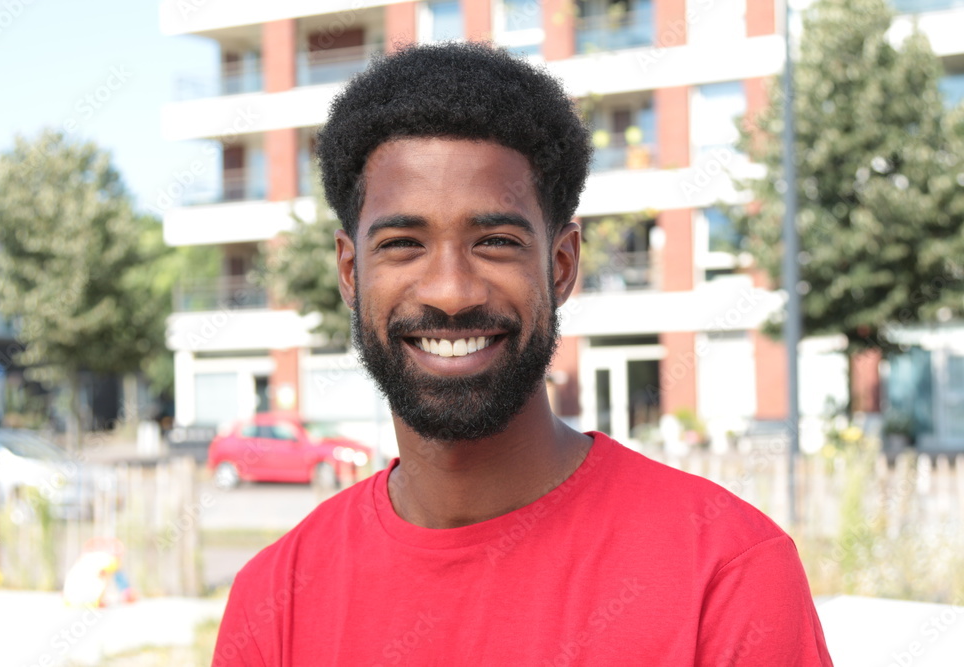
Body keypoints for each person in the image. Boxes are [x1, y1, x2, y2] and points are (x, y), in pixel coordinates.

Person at [213, 42, 833, 666]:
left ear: (561, 266)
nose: (450, 292)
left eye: (496, 241)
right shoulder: (274, 601)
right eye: (403, 243)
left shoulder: (725, 572)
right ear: (351, 272)